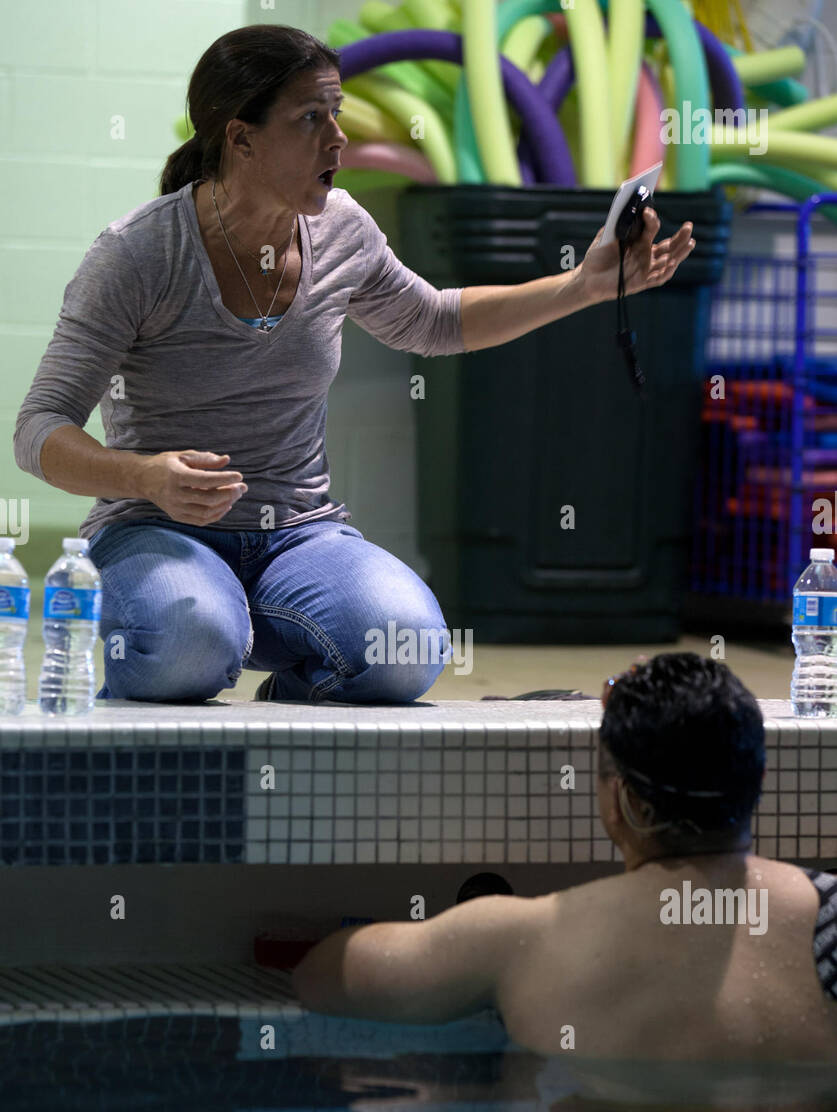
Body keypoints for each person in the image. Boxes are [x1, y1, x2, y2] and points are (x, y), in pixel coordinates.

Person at [13, 24, 695, 706]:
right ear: (240, 137)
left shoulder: (340, 227)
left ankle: (289, 712)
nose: (336, 137)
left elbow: (432, 321)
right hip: (153, 530)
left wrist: (583, 285)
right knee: (190, 643)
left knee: (406, 648)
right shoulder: (138, 254)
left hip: (297, 534)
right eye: (311, 117)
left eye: (335, 112)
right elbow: (39, 428)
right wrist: (142, 475)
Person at [293, 653, 837, 1062]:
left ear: (623, 801)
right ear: (759, 782)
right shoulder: (828, 920)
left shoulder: (522, 937)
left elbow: (321, 976)